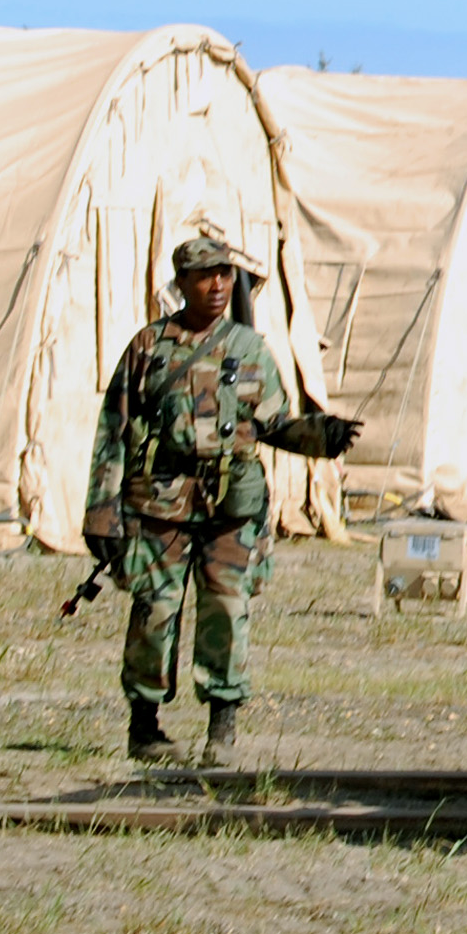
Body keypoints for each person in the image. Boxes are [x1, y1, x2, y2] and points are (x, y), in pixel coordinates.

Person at [84, 232, 361, 765]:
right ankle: (144, 727)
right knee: (154, 610)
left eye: (225, 274)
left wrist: (321, 436)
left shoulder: (250, 348)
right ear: (181, 283)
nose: (217, 285)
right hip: (159, 503)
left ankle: (221, 730)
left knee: (227, 609)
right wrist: (100, 512)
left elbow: (273, 424)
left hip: (232, 506)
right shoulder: (149, 347)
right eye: (205, 275)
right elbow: (112, 430)